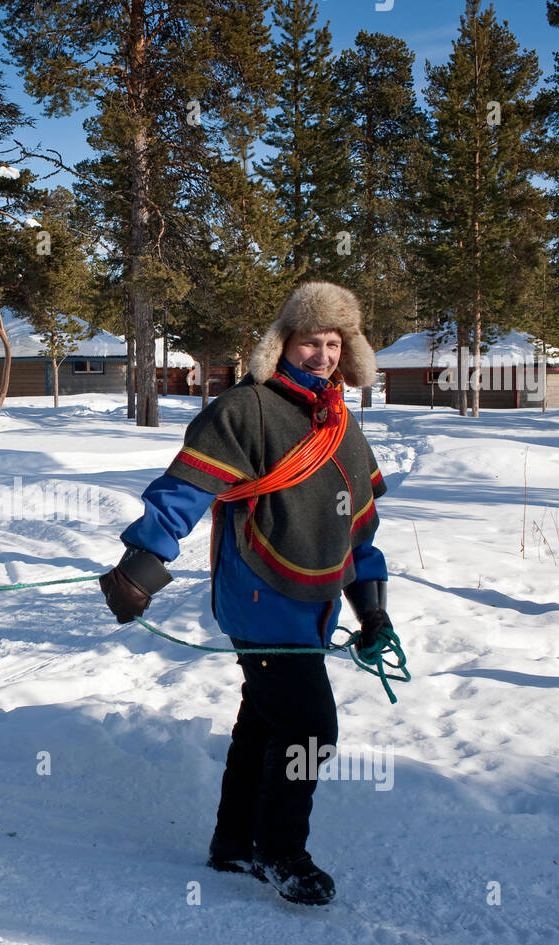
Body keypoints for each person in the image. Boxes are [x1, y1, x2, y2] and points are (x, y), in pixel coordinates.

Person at [99, 282, 394, 906]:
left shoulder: (343, 426)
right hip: (258, 597)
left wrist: (372, 611)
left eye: (334, 343)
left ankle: (234, 844)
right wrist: (141, 562)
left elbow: (360, 530)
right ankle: (283, 852)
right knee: (311, 727)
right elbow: (184, 491)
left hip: (314, 605)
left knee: (264, 722)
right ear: (283, 343)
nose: (322, 354)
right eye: (310, 341)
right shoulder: (245, 409)